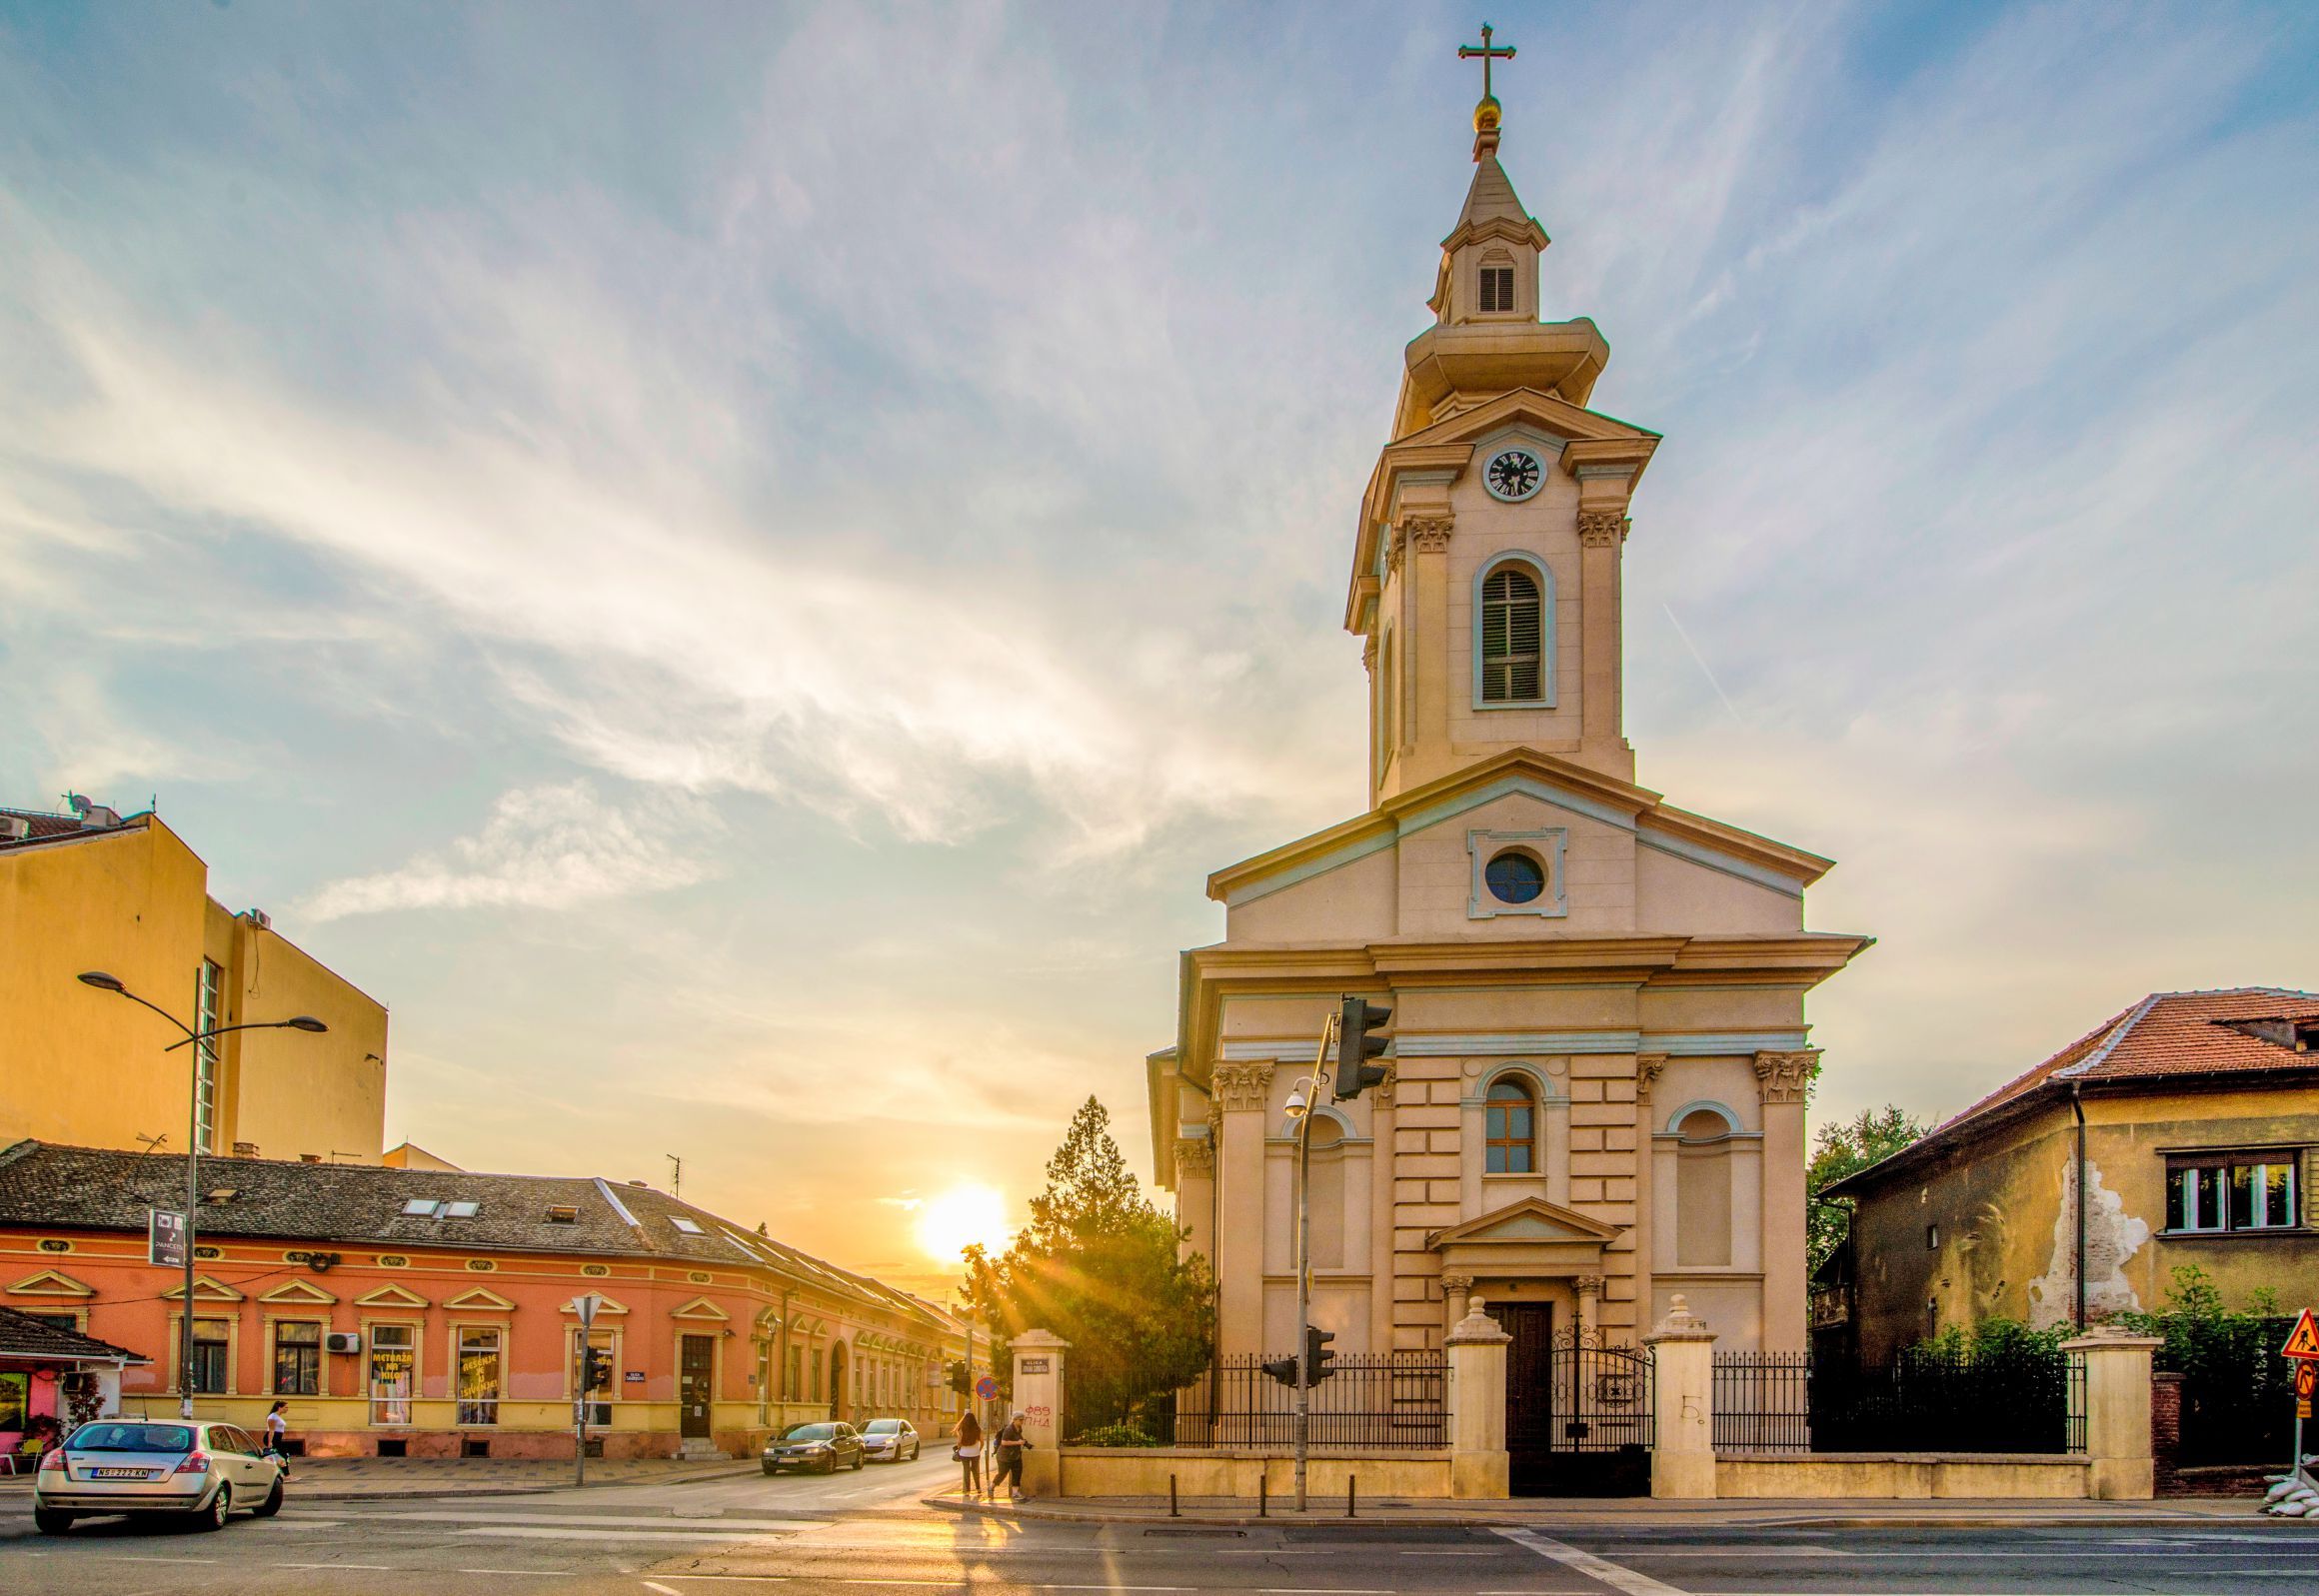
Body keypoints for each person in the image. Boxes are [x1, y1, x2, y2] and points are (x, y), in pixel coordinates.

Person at [992, 1410, 1031, 1502]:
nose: (1022, 1422)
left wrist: (1025, 1443)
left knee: (1017, 1473)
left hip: (1015, 1456)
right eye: (1020, 1420)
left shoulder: (1019, 1428)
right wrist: (1018, 1442)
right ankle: (991, 1487)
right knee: (1002, 1474)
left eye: (1023, 1420)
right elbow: (1004, 1442)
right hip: (1005, 1457)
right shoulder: (1009, 1429)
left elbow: (1019, 1438)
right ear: (1014, 1420)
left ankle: (1015, 1493)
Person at [952, 1406, 983, 1498]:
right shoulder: (978, 1429)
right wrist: (978, 1450)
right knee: (975, 1471)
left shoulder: (961, 1429)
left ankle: (967, 1492)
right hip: (975, 1453)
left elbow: (959, 1442)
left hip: (964, 1454)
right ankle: (978, 1489)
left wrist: (959, 1448)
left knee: (966, 1471)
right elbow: (982, 1442)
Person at [264, 1400, 292, 1478]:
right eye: (285, 1407)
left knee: (282, 1455)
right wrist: (270, 1442)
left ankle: (284, 1475)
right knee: (283, 1455)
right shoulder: (272, 1417)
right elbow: (271, 1431)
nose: (287, 1409)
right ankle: (287, 1476)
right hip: (272, 1438)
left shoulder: (277, 1416)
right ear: (279, 1407)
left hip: (277, 1438)